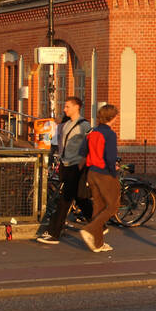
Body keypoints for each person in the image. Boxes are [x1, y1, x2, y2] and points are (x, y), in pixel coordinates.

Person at [37, 96, 92, 244]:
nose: (65, 109)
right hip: (66, 165)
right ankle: (98, 223)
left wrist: (83, 162)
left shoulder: (84, 125)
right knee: (80, 199)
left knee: (64, 200)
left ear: (76, 107)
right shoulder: (65, 123)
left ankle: (53, 233)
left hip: (76, 166)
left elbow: (90, 145)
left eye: (68, 106)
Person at [81, 103, 120, 253]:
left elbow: (83, 151)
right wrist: (113, 171)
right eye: (116, 115)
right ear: (112, 117)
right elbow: (110, 157)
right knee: (112, 206)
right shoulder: (109, 134)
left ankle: (98, 244)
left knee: (97, 207)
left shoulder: (92, 133)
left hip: (91, 172)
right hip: (104, 173)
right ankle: (89, 229)